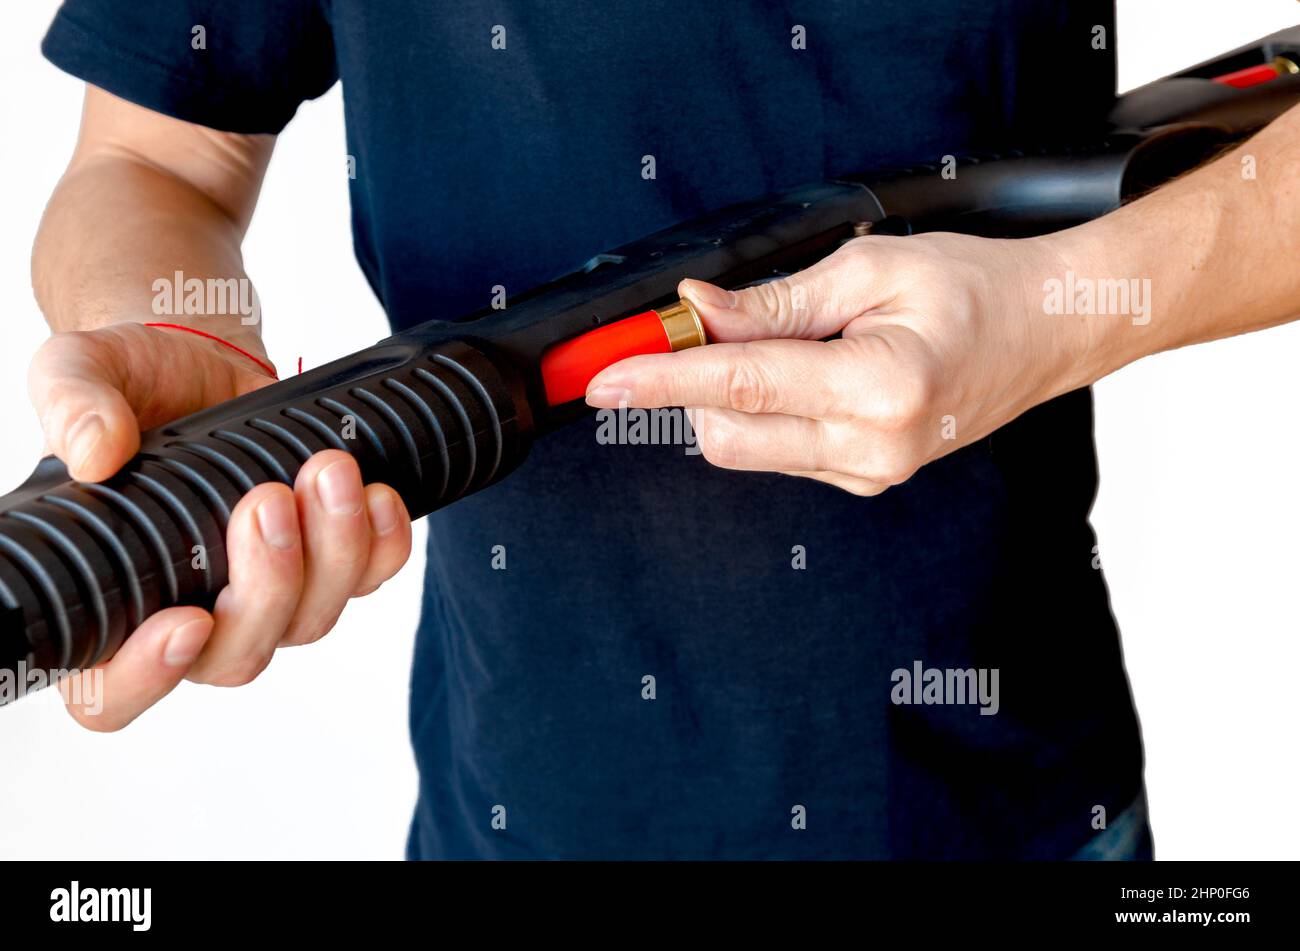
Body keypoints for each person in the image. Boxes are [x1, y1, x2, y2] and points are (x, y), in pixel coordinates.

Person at [30, 1, 1296, 860]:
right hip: (508, 814)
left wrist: (1064, 309)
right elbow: (159, 156)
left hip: (1011, 819)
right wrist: (180, 339)